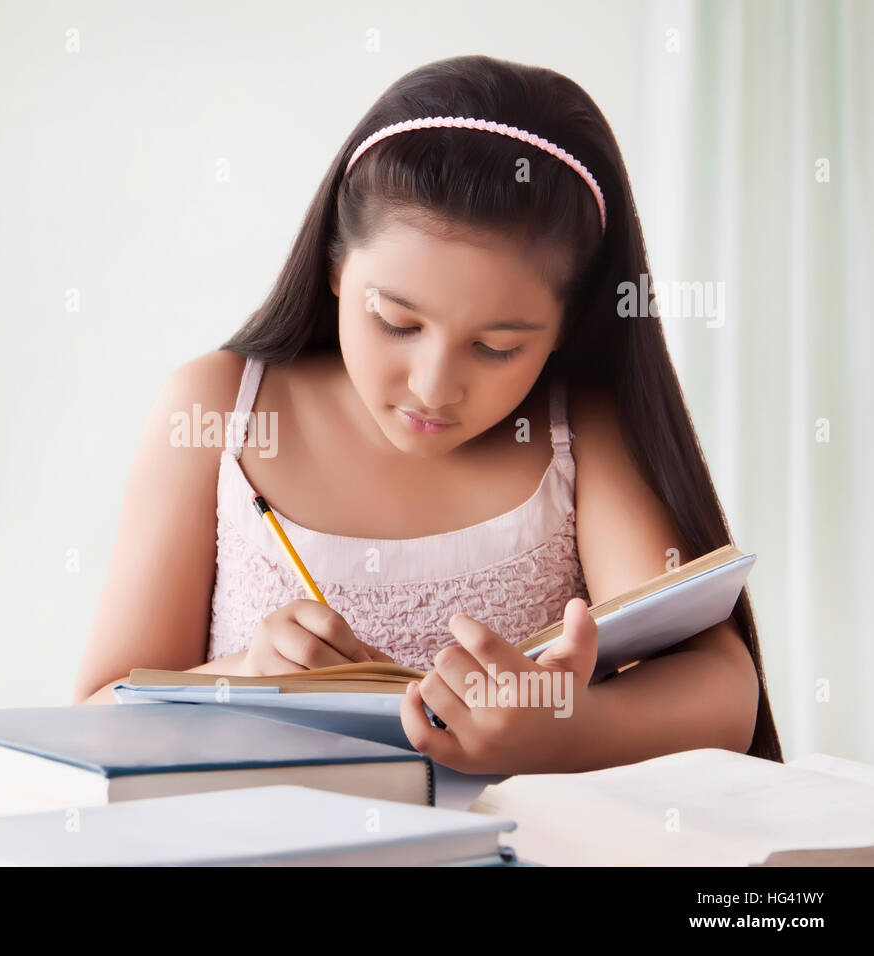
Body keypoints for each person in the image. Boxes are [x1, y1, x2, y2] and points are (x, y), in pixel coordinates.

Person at [72, 54, 781, 775]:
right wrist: (240, 679)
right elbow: (91, 718)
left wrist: (569, 729)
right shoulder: (220, 408)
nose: (434, 387)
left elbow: (723, 692)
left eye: (498, 345)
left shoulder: (576, 434)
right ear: (335, 267)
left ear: (567, 325)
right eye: (397, 322)